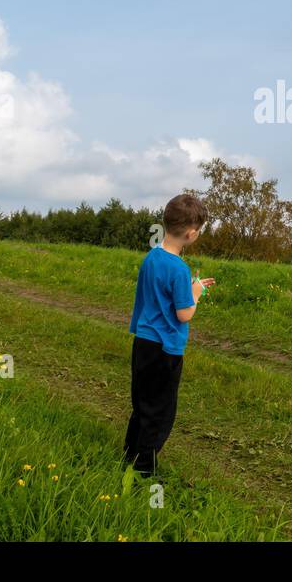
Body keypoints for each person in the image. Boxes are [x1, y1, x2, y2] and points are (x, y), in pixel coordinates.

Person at [122, 193, 214, 476]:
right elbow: (183, 313)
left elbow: (159, 294)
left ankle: (129, 456)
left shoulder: (152, 257)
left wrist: (188, 286)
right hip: (166, 349)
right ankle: (143, 471)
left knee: (142, 405)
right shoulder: (178, 268)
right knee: (160, 413)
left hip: (143, 343)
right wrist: (196, 292)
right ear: (192, 233)